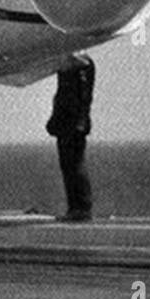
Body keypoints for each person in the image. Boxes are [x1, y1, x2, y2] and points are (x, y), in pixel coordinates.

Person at [47, 55, 95, 222]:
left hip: (72, 122)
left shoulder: (81, 64)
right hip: (67, 122)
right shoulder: (74, 63)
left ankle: (81, 208)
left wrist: (80, 121)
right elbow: (62, 95)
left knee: (74, 165)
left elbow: (83, 97)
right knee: (69, 165)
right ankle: (76, 208)